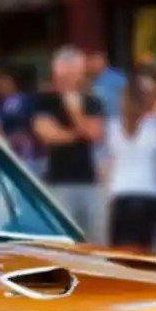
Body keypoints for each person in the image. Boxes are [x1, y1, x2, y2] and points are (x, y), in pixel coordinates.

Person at [32, 46, 107, 241]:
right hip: (58, 182)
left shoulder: (92, 101)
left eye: (75, 70)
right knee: (64, 240)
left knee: (94, 241)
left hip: (89, 182)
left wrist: (73, 110)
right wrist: (79, 131)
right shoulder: (43, 101)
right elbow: (48, 135)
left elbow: (95, 133)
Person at [106, 75, 156, 251]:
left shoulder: (112, 126)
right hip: (149, 191)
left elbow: (107, 164)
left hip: (120, 192)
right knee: (144, 252)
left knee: (119, 253)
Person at [0, 69, 39, 171]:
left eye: (6, 83)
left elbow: (22, 116)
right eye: (0, 84)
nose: (3, 87)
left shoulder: (22, 99)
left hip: (23, 140)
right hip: (6, 139)